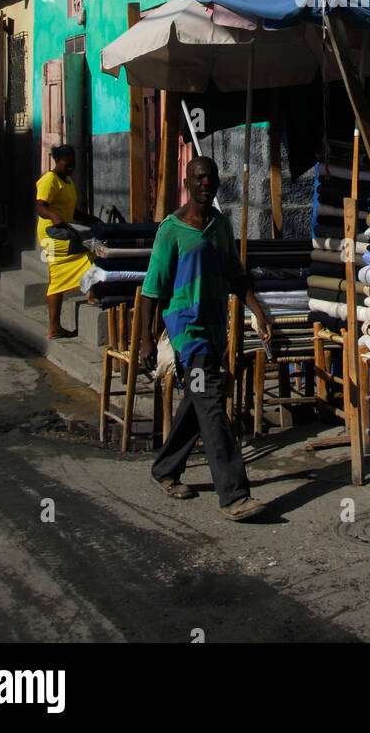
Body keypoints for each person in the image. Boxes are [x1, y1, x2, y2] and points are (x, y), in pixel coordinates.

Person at [141, 156, 271, 522]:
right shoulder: (171, 230)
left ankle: (165, 468)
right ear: (187, 182)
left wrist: (258, 312)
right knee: (213, 406)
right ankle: (234, 495)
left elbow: (236, 275)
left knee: (199, 403)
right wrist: (146, 341)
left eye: (211, 178)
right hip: (188, 335)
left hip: (215, 330)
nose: (205, 183)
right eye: (199, 177)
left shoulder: (219, 226)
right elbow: (151, 291)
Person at [35, 145, 92, 339]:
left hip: (64, 230)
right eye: (66, 165)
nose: (70, 169)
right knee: (66, 268)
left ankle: (56, 326)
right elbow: (41, 206)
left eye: (73, 165)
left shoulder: (67, 181)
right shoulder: (49, 180)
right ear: (57, 161)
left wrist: (90, 219)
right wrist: (53, 216)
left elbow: (71, 210)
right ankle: (54, 326)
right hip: (51, 234)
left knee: (90, 255)